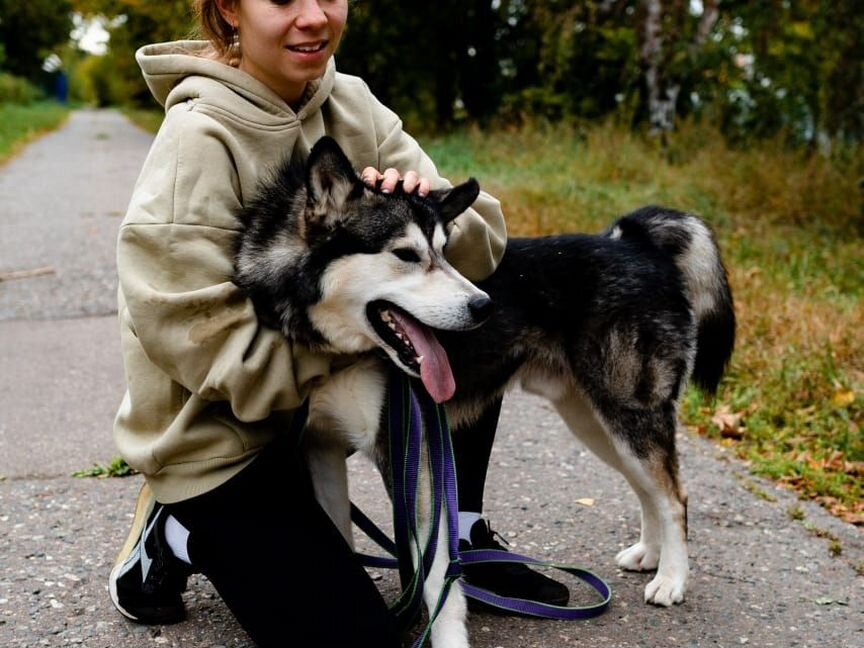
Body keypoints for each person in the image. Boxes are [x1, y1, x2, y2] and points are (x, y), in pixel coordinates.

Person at [108, 1, 567, 645]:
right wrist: (348, 347)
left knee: (451, 311)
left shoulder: (351, 101)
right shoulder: (197, 141)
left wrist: (426, 210)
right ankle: (179, 528)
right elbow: (197, 339)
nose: (314, 17)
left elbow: (486, 239)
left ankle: (457, 528)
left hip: (331, 379)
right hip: (225, 433)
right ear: (228, 11)